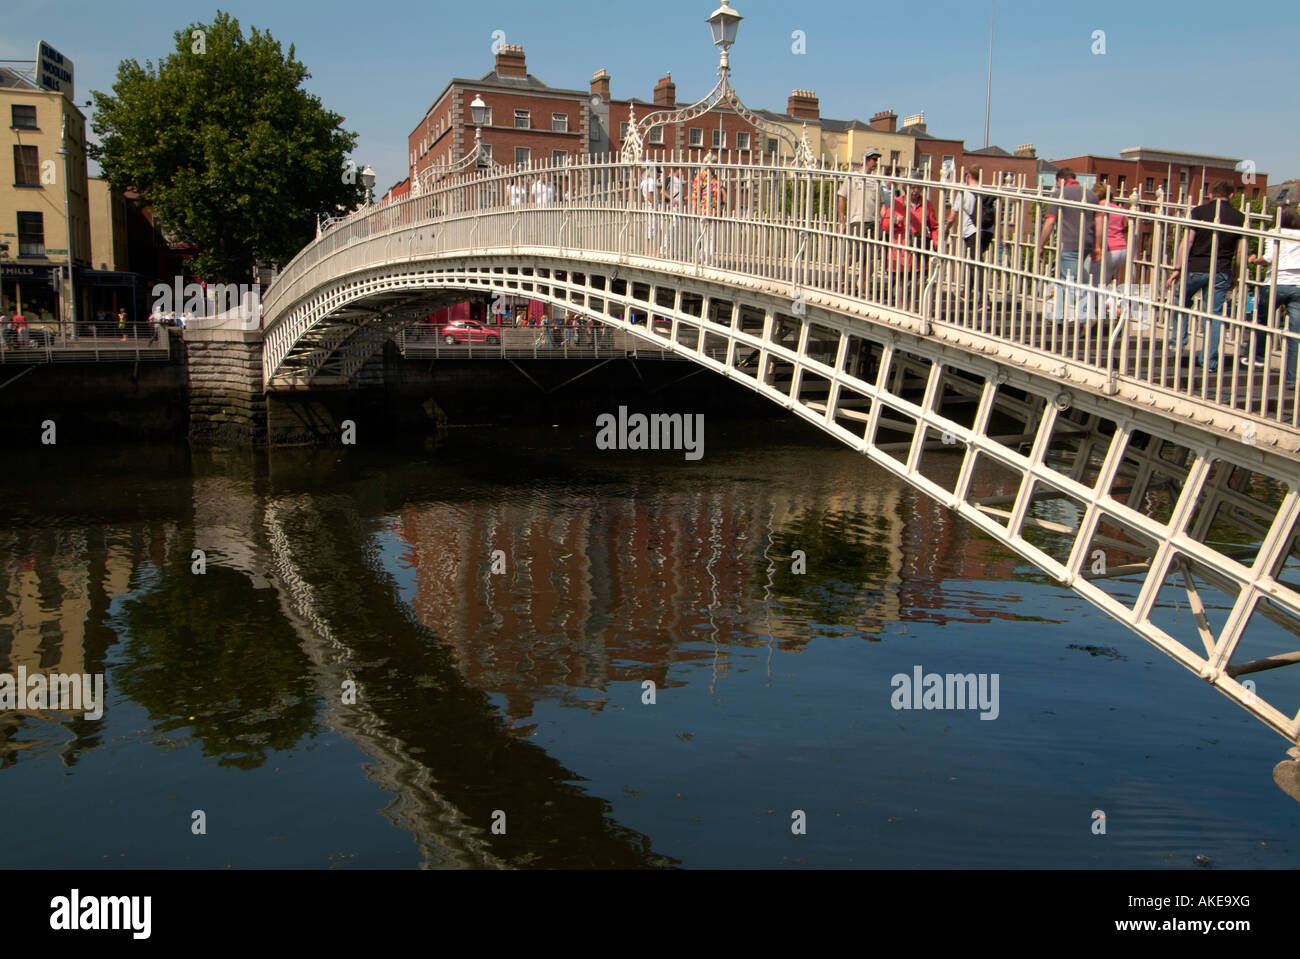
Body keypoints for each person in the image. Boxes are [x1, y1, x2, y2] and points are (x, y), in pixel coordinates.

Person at [1165, 180, 1246, 373]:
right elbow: (1241, 253)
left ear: (1210, 195)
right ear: (1232, 195)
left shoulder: (1199, 212)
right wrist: (1235, 274)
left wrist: (1177, 268)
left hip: (1195, 267)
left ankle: (1178, 340)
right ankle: (1209, 361)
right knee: (1214, 315)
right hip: (1221, 270)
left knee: (1180, 301)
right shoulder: (1239, 217)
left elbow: (1188, 242)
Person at [1036, 167, 1100, 324]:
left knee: (1071, 279)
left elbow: (1050, 221)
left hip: (1069, 242)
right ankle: (1057, 315)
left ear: (1060, 180)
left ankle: (1087, 316)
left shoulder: (1060, 194)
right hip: (1087, 242)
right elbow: (1099, 222)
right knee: (1063, 278)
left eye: (1057, 184)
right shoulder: (1092, 195)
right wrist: (1097, 245)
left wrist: (1040, 244)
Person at [1244, 206, 1300, 384]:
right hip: (1297, 286)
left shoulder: (1274, 232)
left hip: (1275, 284)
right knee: (1294, 334)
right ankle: (1291, 378)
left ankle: (1256, 357)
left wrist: (1253, 259)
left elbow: (1268, 258)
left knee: (1262, 321)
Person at [881, 172, 939, 308]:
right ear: (906, 188)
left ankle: (911, 303)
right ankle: (901, 307)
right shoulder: (897, 203)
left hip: (918, 248)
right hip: (901, 249)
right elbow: (884, 225)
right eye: (912, 187)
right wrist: (894, 221)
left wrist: (935, 243)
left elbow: (934, 226)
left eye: (918, 187)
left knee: (921, 278)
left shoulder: (926, 204)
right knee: (901, 280)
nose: (915, 191)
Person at [838, 148, 888, 297]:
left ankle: (863, 282)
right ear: (866, 159)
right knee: (856, 253)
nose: (875, 163)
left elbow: (881, 203)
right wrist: (842, 219)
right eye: (873, 159)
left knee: (872, 256)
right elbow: (842, 196)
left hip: (872, 220)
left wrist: (882, 219)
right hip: (857, 219)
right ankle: (842, 271)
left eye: (876, 160)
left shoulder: (876, 180)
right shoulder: (853, 176)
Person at [946, 165, 996, 312]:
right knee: (975, 261)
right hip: (987, 231)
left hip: (972, 231)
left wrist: (946, 230)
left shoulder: (964, 193)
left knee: (976, 264)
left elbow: (952, 217)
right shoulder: (985, 191)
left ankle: (984, 299)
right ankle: (966, 291)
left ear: (967, 176)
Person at [1093, 185, 1131, 320]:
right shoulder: (1120, 209)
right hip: (1122, 248)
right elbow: (1126, 225)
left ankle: (1113, 308)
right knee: (1109, 281)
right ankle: (1112, 306)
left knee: (1096, 284)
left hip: (1107, 248)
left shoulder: (1099, 209)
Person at [690, 154, 727, 264]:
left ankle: (707, 256)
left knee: (712, 235)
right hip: (704, 209)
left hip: (714, 211)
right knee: (705, 234)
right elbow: (695, 194)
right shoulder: (701, 177)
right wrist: (694, 210)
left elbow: (723, 196)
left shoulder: (715, 178)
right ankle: (704, 256)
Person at [660, 166, 685, 257]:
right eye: (681, 169)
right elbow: (662, 191)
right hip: (672, 207)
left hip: (678, 207)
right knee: (671, 229)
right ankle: (664, 249)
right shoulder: (670, 179)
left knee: (675, 229)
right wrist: (672, 199)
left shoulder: (678, 181)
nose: (683, 172)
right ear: (676, 170)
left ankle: (672, 250)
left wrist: (684, 199)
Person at [639, 165, 659, 253]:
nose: (658, 175)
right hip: (651, 208)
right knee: (653, 230)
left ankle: (648, 250)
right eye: (657, 172)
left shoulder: (644, 182)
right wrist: (655, 206)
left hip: (647, 207)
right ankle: (651, 251)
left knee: (649, 230)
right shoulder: (651, 181)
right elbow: (650, 194)